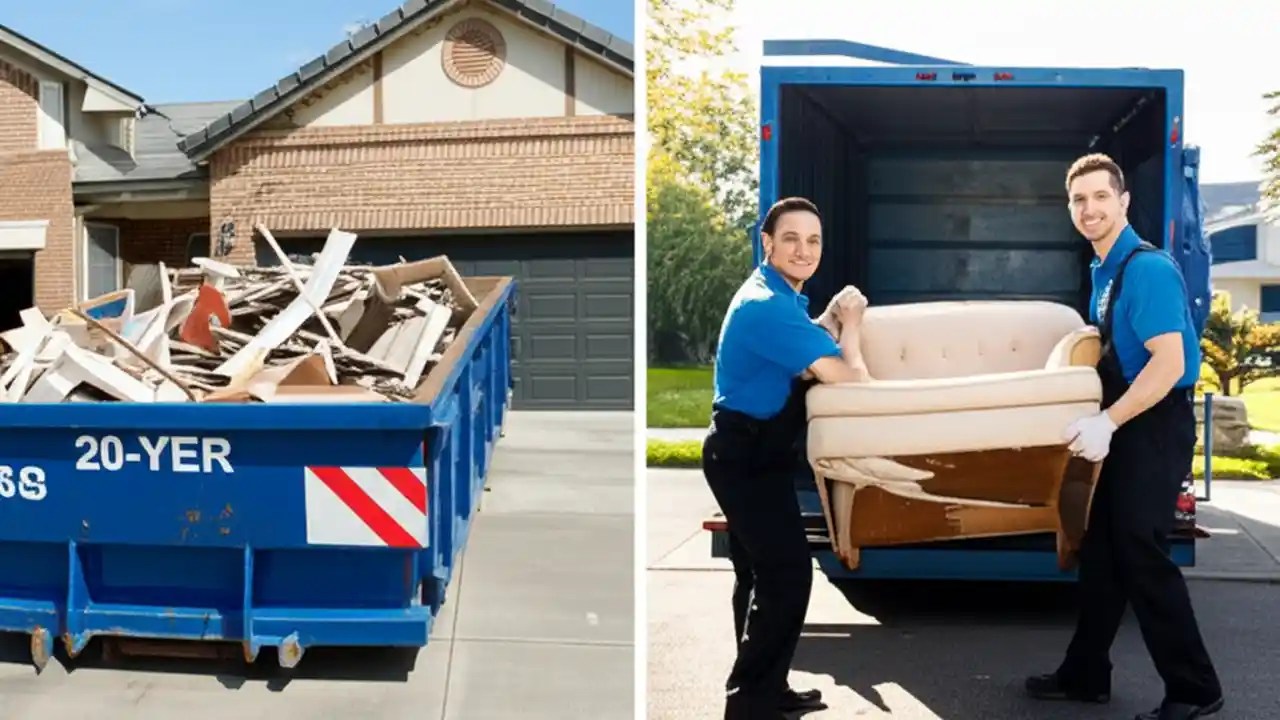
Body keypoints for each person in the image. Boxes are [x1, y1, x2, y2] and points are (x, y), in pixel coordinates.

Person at [1024, 154, 1224, 720]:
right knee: (1104, 552)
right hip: (1127, 423)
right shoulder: (1104, 269)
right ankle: (1085, 674)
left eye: (1100, 197)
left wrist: (1109, 423)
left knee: (1140, 552)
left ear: (1123, 201)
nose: (1089, 209)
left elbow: (1168, 363)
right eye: (1078, 200)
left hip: (1153, 424)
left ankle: (1194, 689)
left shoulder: (1147, 269)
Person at [703, 196, 872, 719]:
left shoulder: (779, 296)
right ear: (768, 243)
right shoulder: (767, 306)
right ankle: (749, 696)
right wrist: (855, 322)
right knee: (787, 574)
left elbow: (802, 353)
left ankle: (764, 687)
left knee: (761, 572)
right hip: (743, 455)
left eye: (814, 240)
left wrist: (828, 318)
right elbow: (849, 377)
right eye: (792, 239)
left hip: (758, 451)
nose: (804, 249)